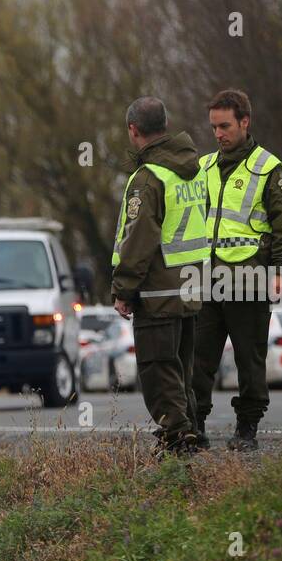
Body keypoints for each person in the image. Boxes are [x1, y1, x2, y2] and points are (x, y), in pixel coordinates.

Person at [190, 88, 282, 451]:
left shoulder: (268, 168)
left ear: (244, 122)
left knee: (249, 359)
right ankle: (194, 425)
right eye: (213, 127)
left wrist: (281, 270)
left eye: (225, 126)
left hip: (250, 281)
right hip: (207, 279)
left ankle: (246, 428)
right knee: (199, 357)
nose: (218, 134)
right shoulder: (203, 168)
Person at [110, 96, 210, 455]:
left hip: (157, 290)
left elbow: (139, 238)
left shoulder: (148, 179)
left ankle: (178, 437)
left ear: (133, 130)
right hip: (190, 286)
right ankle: (193, 429)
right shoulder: (194, 171)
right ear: (164, 126)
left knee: (157, 367)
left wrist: (123, 288)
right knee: (180, 366)